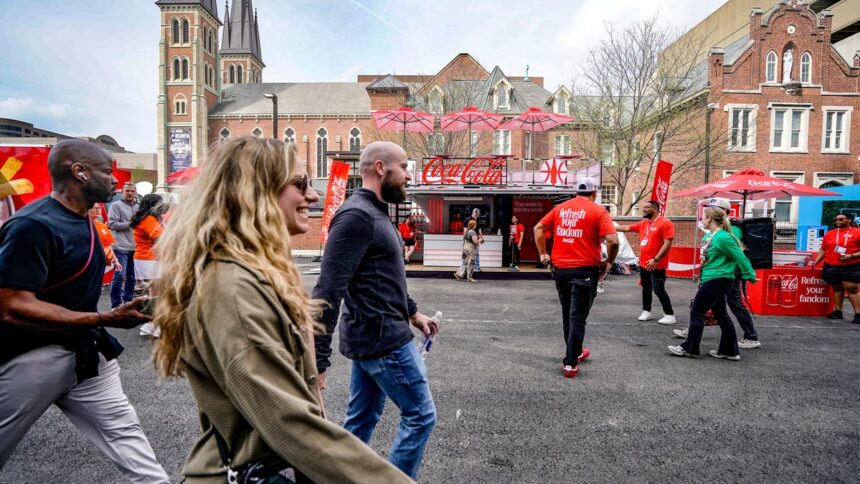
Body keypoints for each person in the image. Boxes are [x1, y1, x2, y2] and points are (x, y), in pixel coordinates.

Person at [151, 138, 410, 483]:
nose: (313, 196)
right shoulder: (233, 289)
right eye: (300, 184)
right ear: (255, 191)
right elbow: (289, 423)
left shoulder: (256, 271)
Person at [0, 139, 168, 481]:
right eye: (107, 172)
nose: (115, 180)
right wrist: (103, 317)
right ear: (79, 172)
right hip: (32, 358)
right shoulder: (32, 226)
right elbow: (12, 305)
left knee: (126, 434)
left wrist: (102, 319)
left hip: (86, 352)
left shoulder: (84, 219)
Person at [313, 141, 438, 480]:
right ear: (381, 168)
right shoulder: (355, 216)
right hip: (384, 341)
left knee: (360, 421)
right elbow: (327, 290)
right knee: (421, 415)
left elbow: (385, 278)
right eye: (404, 168)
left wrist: (414, 314)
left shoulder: (377, 212)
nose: (409, 176)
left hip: (376, 336)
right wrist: (317, 359)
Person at [534, 177, 619, 379]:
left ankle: (576, 352)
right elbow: (613, 240)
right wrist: (608, 264)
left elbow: (538, 228)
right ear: (594, 193)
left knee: (568, 313)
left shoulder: (561, 208)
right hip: (585, 271)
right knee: (578, 317)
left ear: (576, 192)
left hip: (561, 270)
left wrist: (543, 254)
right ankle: (571, 363)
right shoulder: (599, 211)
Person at [668, 206, 757, 360]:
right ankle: (729, 351)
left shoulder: (723, 237)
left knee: (697, 311)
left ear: (709, 219)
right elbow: (708, 259)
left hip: (719, 279)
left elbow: (740, 256)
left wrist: (749, 275)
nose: (701, 219)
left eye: (703, 216)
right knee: (721, 314)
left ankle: (690, 348)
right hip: (711, 279)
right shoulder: (709, 236)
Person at [617, 200, 676, 324]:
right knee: (646, 288)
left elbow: (668, 243)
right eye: (643, 207)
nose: (643, 210)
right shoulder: (644, 223)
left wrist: (656, 259)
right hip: (644, 262)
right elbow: (627, 227)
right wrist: (610, 227)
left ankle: (670, 314)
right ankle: (646, 311)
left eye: (647, 208)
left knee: (658, 289)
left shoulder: (665, 223)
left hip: (656, 264)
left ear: (655, 209)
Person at [813, 212, 860, 324]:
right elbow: (823, 250)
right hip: (832, 265)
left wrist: (851, 256)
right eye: (836, 220)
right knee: (837, 287)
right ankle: (838, 311)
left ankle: (858, 314)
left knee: (851, 288)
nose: (838, 221)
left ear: (849, 220)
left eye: (841, 219)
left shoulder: (857, 232)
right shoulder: (829, 234)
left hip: (851, 265)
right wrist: (815, 262)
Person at [131, 193, 166, 338]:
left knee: (152, 293)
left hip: (145, 259)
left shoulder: (144, 219)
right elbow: (161, 238)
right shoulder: (149, 220)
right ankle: (152, 324)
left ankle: (151, 324)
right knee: (156, 294)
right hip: (150, 260)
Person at [107, 182, 138, 308]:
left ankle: (128, 304)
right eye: (127, 191)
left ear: (135, 192)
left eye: (132, 191)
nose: (130, 193)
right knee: (120, 275)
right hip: (120, 246)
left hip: (135, 247)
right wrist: (130, 223)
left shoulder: (139, 207)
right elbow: (112, 224)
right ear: (122, 192)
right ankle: (116, 304)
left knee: (132, 278)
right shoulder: (115, 206)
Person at [90, 204, 122, 274]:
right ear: (88, 210)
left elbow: (108, 245)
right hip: (89, 262)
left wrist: (115, 260)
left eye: (99, 208)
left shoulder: (102, 226)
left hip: (103, 262)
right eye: (94, 208)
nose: (97, 210)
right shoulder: (83, 225)